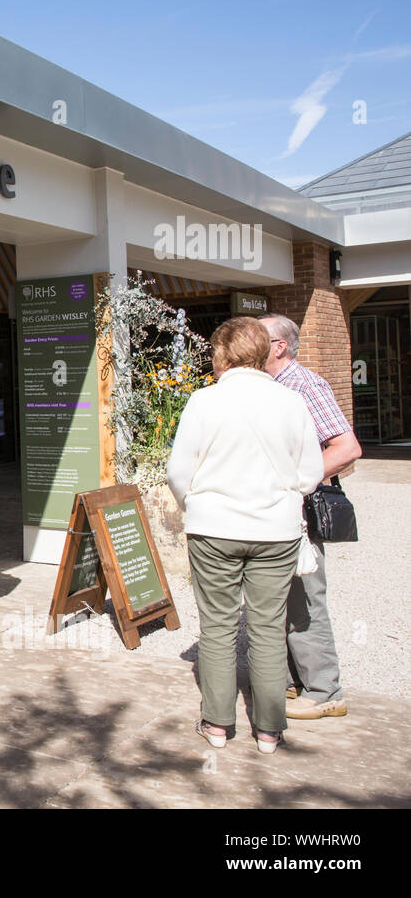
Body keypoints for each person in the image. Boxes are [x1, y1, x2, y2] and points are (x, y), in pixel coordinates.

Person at [167, 317, 323, 754]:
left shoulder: (203, 401)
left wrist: (195, 503)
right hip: (275, 529)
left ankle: (217, 725)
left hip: (213, 526)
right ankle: (269, 729)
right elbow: (310, 473)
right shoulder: (291, 402)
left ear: (221, 354)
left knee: (217, 627)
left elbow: (179, 471)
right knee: (269, 627)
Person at [260, 313, 362, 720]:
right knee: (279, 596)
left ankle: (325, 691)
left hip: (297, 510)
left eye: (258, 338)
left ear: (279, 346)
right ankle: (292, 679)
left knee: (305, 597)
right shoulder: (269, 388)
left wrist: (293, 482)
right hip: (274, 511)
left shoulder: (305, 385)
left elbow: (346, 448)